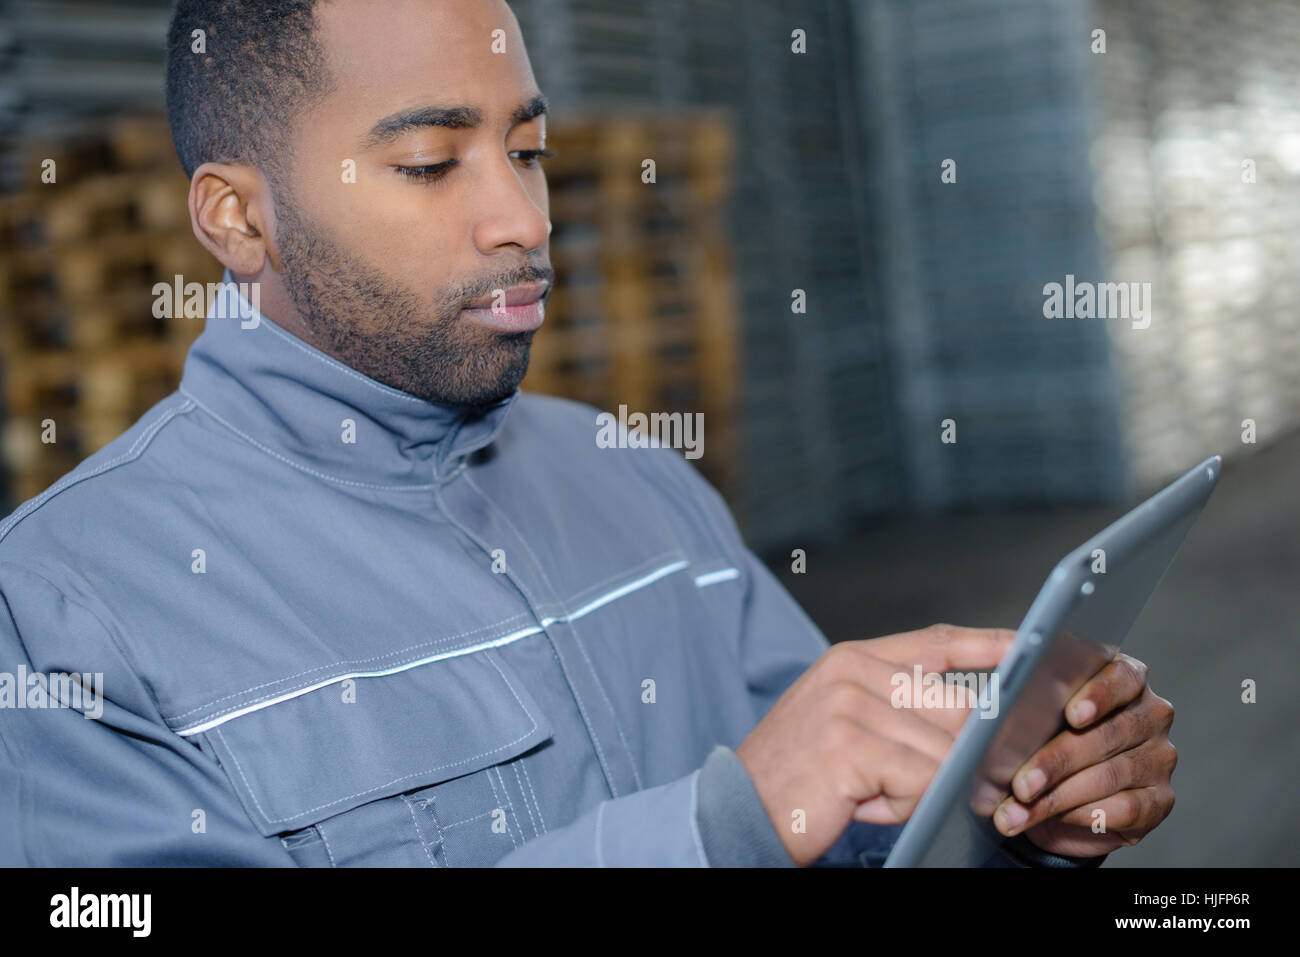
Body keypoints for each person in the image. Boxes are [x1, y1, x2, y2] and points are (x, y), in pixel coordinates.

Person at [0, 0, 1176, 867]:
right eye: (427, 162)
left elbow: (848, 832)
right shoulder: (59, 615)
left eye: (527, 150)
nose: (520, 218)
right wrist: (717, 830)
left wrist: (1010, 811)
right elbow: (755, 816)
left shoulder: (638, 485)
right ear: (237, 217)